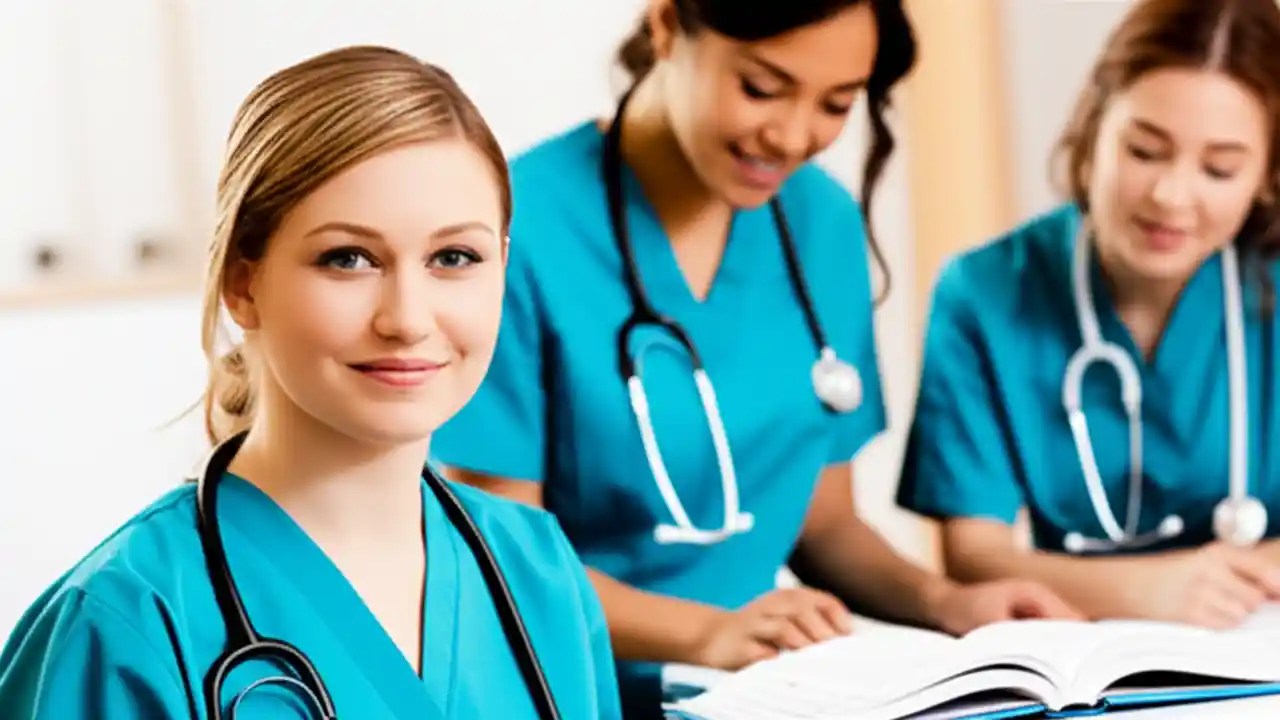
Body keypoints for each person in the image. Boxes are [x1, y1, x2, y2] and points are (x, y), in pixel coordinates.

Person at [432, 1, 1080, 716]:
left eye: (836, 104)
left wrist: (947, 601)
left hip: (753, 692)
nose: (794, 136)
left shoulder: (821, 223)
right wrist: (708, 633)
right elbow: (505, 563)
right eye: (762, 88)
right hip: (565, 692)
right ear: (668, 26)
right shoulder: (519, 228)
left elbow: (824, 525)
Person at [0, 46, 620, 719]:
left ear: (501, 266)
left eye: (453, 256)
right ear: (243, 285)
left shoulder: (539, 575)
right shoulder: (128, 621)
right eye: (348, 258)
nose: (408, 319)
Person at [898, 0, 1280, 631]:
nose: (1170, 195)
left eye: (1220, 169)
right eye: (1145, 151)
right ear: (1094, 127)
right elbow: (973, 555)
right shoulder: (985, 294)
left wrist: (1238, 576)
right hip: (1079, 656)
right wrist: (1143, 589)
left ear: (1265, 176)